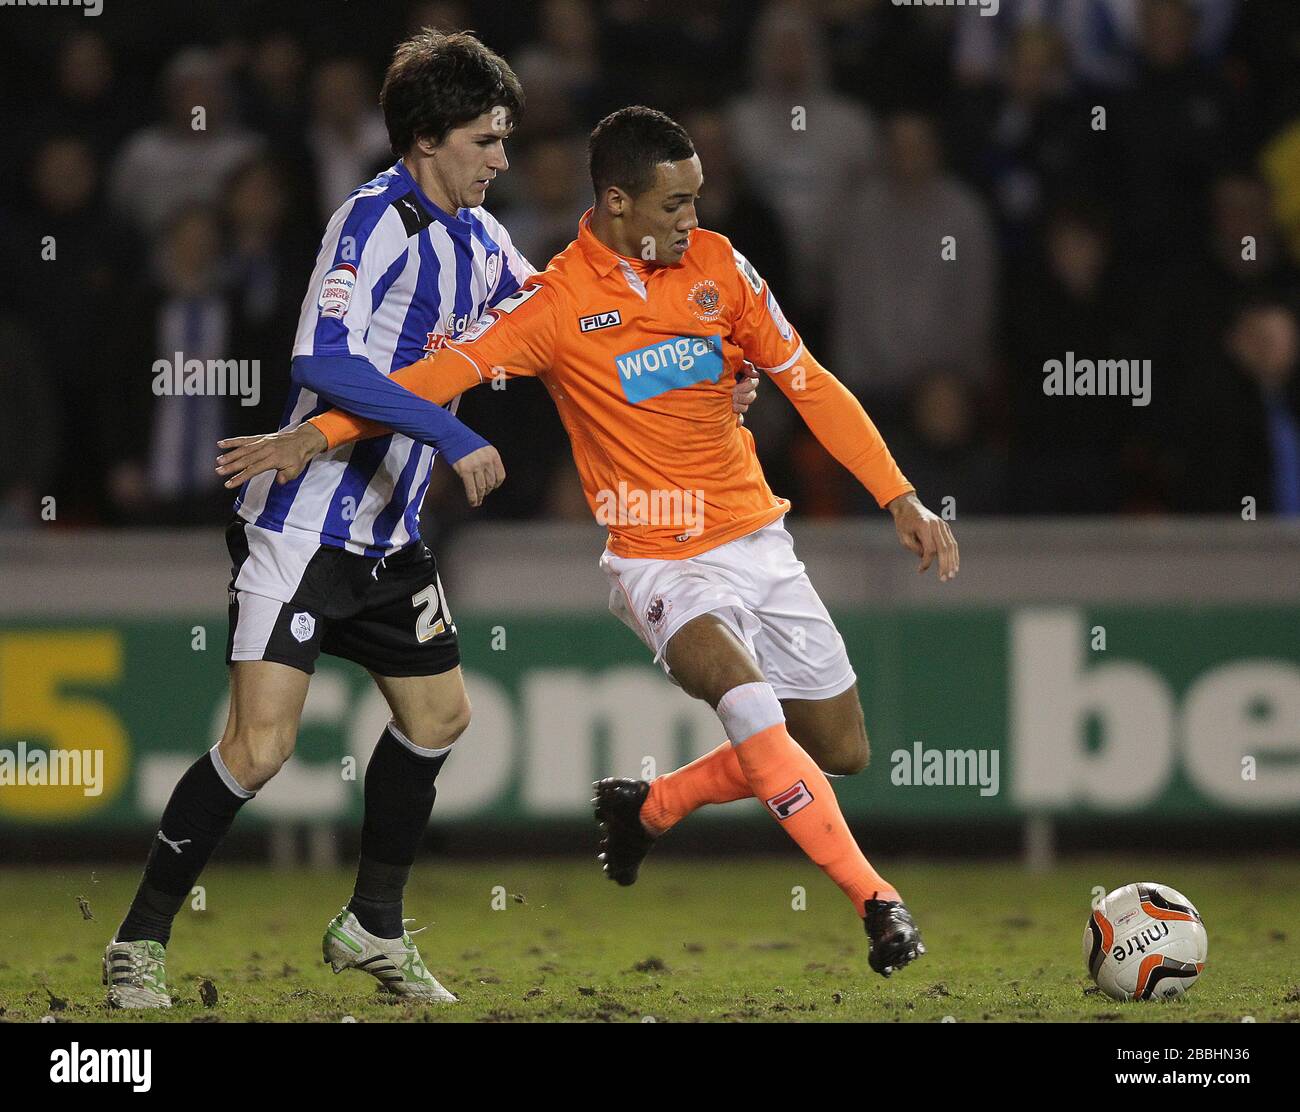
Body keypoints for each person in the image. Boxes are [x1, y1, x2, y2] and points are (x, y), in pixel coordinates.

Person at [216, 106, 958, 976]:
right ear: (616, 203)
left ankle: (652, 807)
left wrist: (899, 494)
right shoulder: (556, 304)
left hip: (757, 536)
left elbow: (810, 382)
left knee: (839, 749)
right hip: (658, 558)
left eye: (697, 200)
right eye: (674, 205)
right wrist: (315, 435)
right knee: (748, 702)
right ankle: (878, 901)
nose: (692, 220)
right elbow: (430, 378)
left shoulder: (722, 268)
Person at [103, 29, 529, 1011]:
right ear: (428, 138)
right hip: (300, 527)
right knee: (260, 747)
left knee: (441, 716)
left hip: (386, 539)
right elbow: (324, 363)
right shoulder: (370, 222)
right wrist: (450, 436)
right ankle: (139, 941)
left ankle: (372, 923)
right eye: (486, 140)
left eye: (506, 141)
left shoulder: (483, 239)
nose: (502, 160)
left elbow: (556, 319)